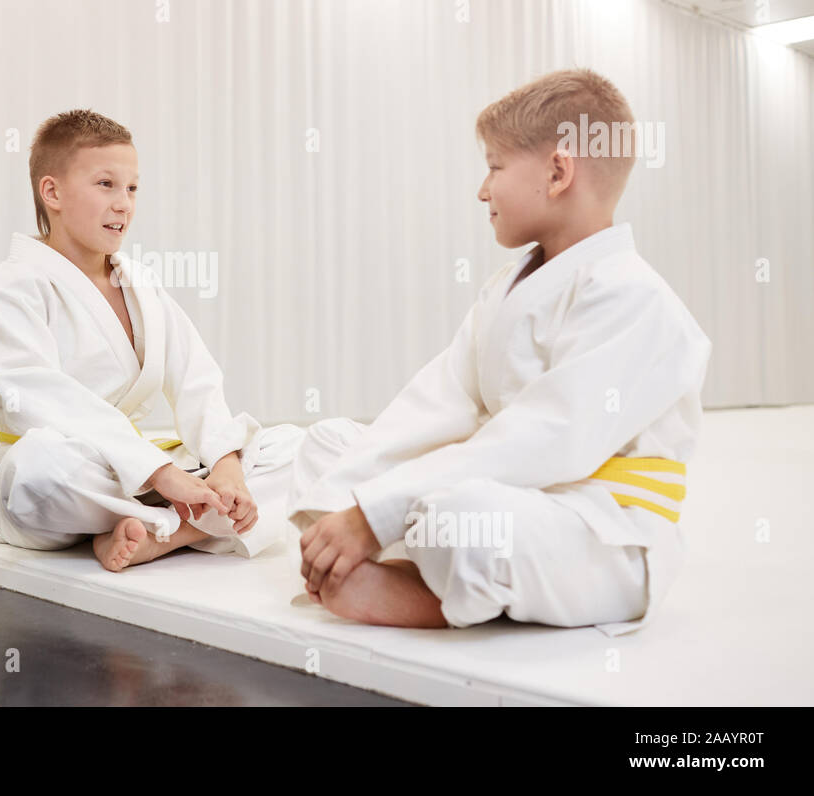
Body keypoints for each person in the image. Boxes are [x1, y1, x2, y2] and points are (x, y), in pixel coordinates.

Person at [290, 69, 711, 636]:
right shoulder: (505, 287)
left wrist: (376, 513)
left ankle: (426, 595)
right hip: (508, 484)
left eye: (493, 166)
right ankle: (393, 559)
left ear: (559, 171)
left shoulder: (635, 297)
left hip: (598, 531)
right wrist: (352, 505)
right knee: (325, 443)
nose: (482, 190)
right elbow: (435, 407)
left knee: (464, 519)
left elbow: (547, 439)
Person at [0, 109, 302, 571]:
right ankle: (184, 521)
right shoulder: (16, 283)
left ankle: (163, 534)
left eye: (132, 188)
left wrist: (225, 464)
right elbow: (36, 397)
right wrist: (162, 474)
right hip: (79, 473)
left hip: (138, 477)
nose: (124, 203)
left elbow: (196, 380)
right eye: (106, 184)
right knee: (37, 468)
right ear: (52, 191)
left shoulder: (141, 284)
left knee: (299, 446)